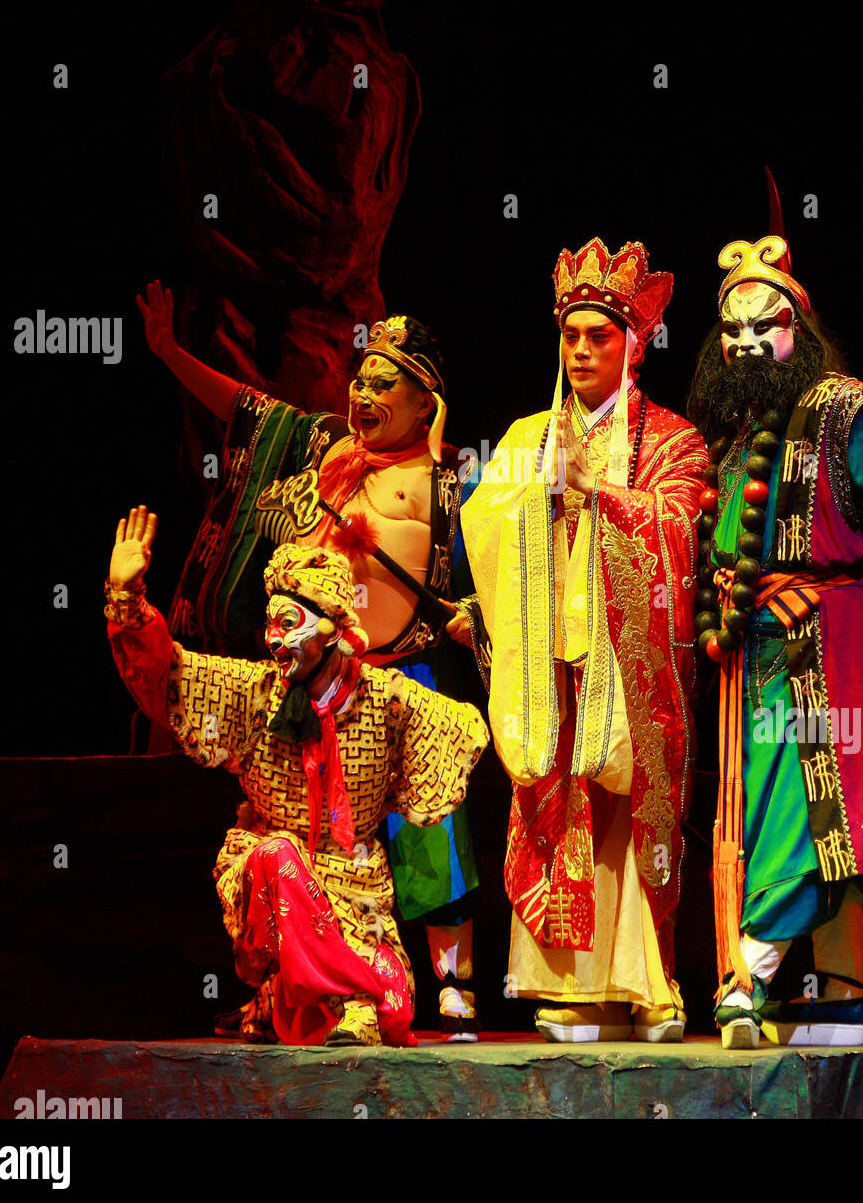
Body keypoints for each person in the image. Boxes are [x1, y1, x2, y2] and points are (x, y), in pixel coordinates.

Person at [137, 283, 487, 1040]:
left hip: (406, 671)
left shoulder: (457, 479)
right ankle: (294, 987)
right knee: (297, 836)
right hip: (316, 679)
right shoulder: (326, 451)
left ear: (426, 400)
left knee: (429, 832)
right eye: (359, 378)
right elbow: (247, 412)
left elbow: (497, 572)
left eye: (382, 382)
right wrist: (168, 351)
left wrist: (475, 618)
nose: (362, 393)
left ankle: (451, 986)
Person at [686, 235, 863, 1048]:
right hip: (757, 645)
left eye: (764, 324)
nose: (745, 341)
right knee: (811, 819)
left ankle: (749, 977)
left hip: (826, 638)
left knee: (804, 804)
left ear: (798, 331)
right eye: (730, 328)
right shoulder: (738, 430)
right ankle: (840, 994)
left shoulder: (842, 407)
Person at [105, 505, 488, 1047]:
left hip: (359, 891)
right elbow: (165, 678)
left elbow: (463, 730)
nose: (275, 640)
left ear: (332, 629)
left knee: (395, 1005)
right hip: (275, 882)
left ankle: (350, 995)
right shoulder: (254, 693)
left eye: (290, 625)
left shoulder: (391, 700)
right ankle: (320, 993)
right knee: (274, 854)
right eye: (271, 625)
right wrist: (129, 602)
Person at [458, 238, 707, 1042]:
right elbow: (482, 524)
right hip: (549, 660)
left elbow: (680, 527)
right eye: (570, 335)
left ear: (634, 344)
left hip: (631, 665)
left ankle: (644, 981)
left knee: (630, 813)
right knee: (557, 808)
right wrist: (535, 499)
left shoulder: (670, 439)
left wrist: (597, 495)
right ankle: (567, 984)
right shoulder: (528, 435)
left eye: (599, 336)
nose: (581, 350)